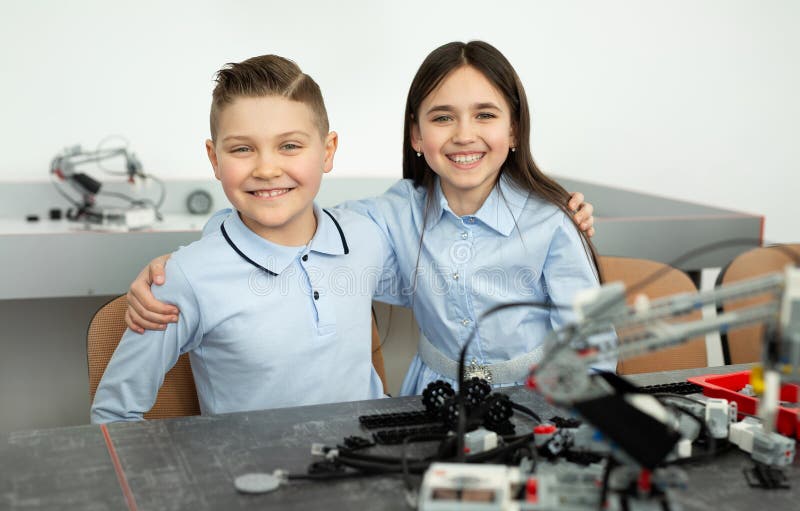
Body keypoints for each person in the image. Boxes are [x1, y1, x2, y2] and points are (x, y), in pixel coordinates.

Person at [124, 41, 604, 396]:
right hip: (429, 403)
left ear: (514, 127)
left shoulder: (551, 223)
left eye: (485, 115)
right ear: (416, 134)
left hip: (536, 402)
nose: (463, 135)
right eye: (441, 118)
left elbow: (594, 345)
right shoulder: (391, 215)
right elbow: (285, 219)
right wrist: (191, 261)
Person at [91, 55, 391, 423]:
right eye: (242, 149)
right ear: (214, 158)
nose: (266, 169)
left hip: (369, 466)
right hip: (252, 476)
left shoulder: (367, 238)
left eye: (290, 146)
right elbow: (113, 413)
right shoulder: (186, 277)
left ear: (327, 151)